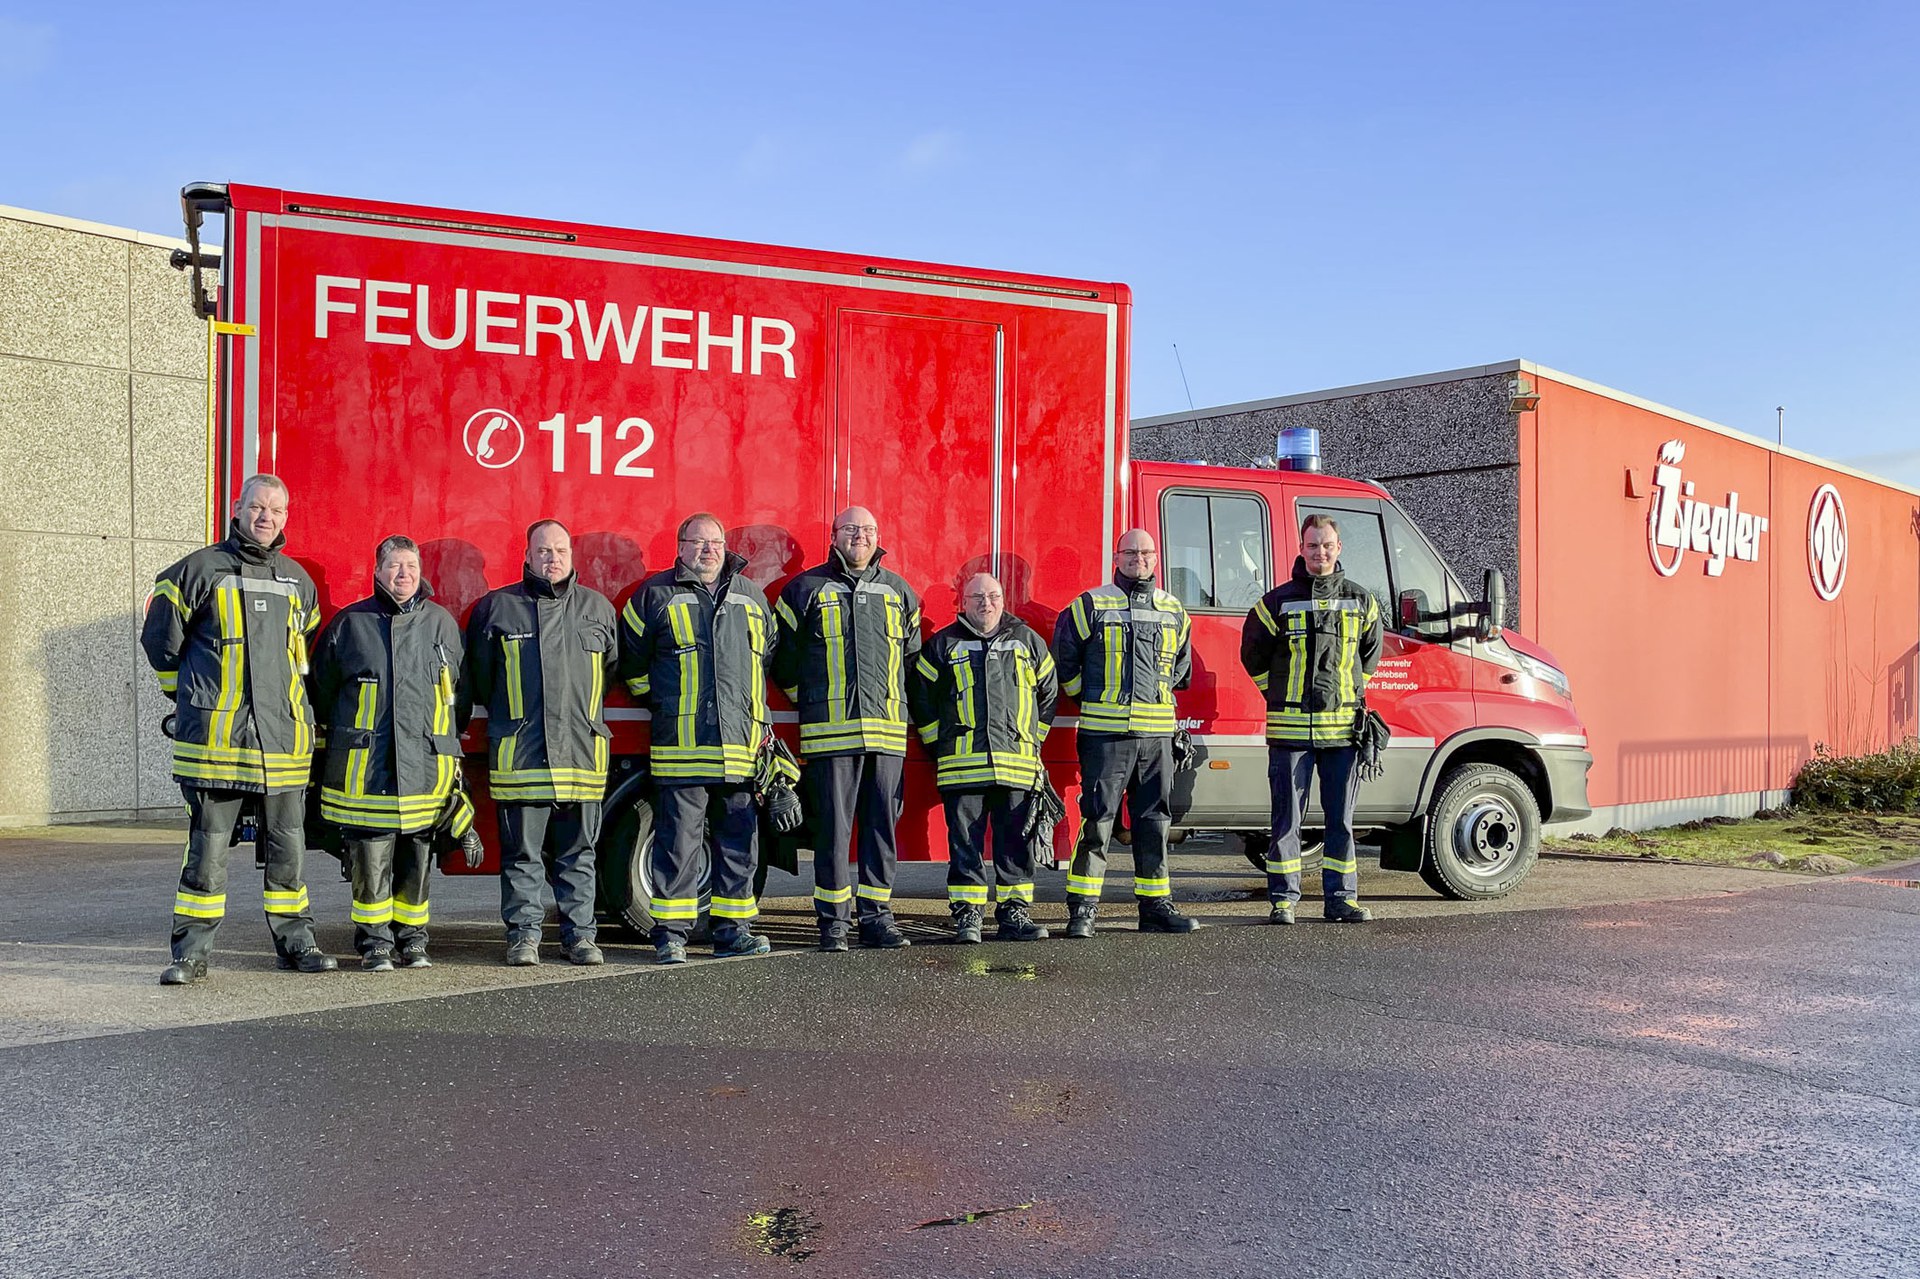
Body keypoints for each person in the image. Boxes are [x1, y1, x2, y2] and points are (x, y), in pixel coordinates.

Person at [142, 473, 337, 984]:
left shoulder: (298, 582)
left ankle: (296, 942)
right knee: (207, 851)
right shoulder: (196, 571)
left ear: (285, 518)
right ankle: (190, 954)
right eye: (256, 506)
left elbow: (303, 655)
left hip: (282, 741)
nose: (264, 517)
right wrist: (188, 698)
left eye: (275, 509)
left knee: (288, 849)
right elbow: (160, 642)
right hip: (217, 742)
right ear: (237, 508)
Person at [310, 535, 481, 971]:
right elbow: (323, 693)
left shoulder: (441, 624)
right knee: (371, 862)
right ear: (377, 571)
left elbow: (458, 696)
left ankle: (414, 940)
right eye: (394, 565)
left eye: (410, 565)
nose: (403, 573)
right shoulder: (350, 625)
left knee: (417, 859)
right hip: (368, 769)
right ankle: (374, 944)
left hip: (425, 767)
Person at [619, 513, 777, 965]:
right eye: (698, 542)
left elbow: (767, 653)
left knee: (738, 844)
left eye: (716, 542)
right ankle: (671, 936)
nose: (708, 550)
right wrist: (667, 705)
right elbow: (631, 664)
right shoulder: (654, 596)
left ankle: (733, 933)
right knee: (678, 844)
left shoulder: (751, 597)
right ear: (680, 546)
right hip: (682, 746)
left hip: (740, 749)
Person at [771, 506, 924, 952]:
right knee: (833, 835)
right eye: (851, 529)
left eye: (868, 529)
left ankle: (877, 919)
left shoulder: (899, 592)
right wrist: (813, 702)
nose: (860, 536)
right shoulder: (803, 590)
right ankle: (833, 924)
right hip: (830, 736)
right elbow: (782, 661)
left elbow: (912, 662)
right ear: (833, 536)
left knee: (882, 831)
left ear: (878, 538)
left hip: (887, 737)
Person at [465, 519, 617, 966]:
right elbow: (480, 676)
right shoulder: (497, 608)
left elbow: (608, 671)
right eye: (543, 551)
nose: (553, 559)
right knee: (522, 856)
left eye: (560, 551)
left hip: (582, 754)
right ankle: (524, 937)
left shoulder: (597, 609)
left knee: (579, 856)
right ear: (527, 556)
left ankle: (581, 938)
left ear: (573, 557)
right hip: (522, 754)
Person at [1051, 530, 1196, 939]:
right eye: (1130, 552)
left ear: (1156, 557)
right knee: (1098, 820)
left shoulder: (1174, 610)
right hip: (1105, 736)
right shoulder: (1090, 605)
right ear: (1117, 556)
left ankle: (1154, 907)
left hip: (1157, 740)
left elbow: (1180, 670)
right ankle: (1083, 910)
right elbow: (1066, 664)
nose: (1138, 558)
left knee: (1154, 822)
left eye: (1145, 552)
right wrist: (1094, 702)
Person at [1240, 514, 1383, 924]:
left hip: (1342, 734)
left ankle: (1341, 899)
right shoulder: (1276, 602)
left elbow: (1368, 657)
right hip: (1290, 732)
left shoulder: (1362, 600)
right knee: (1286, 819)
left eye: (1327, 545)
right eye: (1312, 545)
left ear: (1339, 549)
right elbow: (1252, 654)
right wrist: (1277, 693)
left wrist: (1349, 692)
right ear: (1301, 550)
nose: (1320, 552)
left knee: (1341, 821)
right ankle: (1283, 900)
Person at [909, 573, 1058, 943]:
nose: (985, 603)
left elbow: (1050, 694)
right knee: (964, 845)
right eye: (977, 597)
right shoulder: (944, 644)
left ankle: (1014, 915)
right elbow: (921, 698)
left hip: (1017, 766)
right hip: (961, 767)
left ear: (1004, 600)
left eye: (993, 596)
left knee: (1015, 845)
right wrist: (939, 745)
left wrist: (1030, 741)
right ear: (963, 602)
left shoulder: (1027, 642)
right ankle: (968, 916)